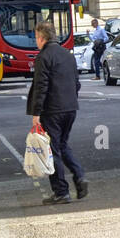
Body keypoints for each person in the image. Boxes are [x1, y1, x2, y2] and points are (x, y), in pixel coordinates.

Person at [26, 21, 87, 205]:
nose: (36, 41)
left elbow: (41, 87)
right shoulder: (67, 55)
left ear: (41, 37)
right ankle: (79, 175)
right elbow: (76, 83)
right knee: (62, 145)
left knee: (52, 151)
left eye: (36, 37)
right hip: (70, 108)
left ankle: (61, 192)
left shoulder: (43, 57)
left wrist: (36, 114)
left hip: (52, 110)